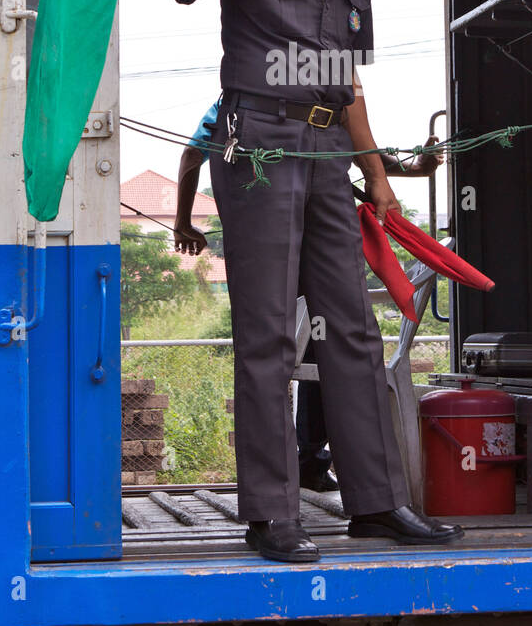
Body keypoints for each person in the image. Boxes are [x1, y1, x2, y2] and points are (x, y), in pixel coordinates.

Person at [119, 0, 462, 562]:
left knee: (354, 330)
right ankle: (273, 516)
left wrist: (378, 179)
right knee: (270, 334)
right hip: (260, 151)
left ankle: (376, 503)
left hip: (328, 154)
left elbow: (349, 85)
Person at [173, 97, 443, 492]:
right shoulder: (238, 106)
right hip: (273, 244)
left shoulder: (323, 103)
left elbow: (356, 145)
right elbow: (192, 152)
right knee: (276, 347)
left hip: (316, 245)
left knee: (324, 343)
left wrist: (411, 170)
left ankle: (314, 459)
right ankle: (279, 485)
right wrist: (181, 221)